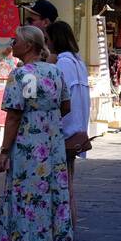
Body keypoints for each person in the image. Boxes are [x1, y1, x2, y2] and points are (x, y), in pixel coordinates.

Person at [0, 25, 75, 241]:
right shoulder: (55, 72)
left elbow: (14, 115)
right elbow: (66, 106)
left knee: (28, 198)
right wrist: (47, 117)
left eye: (15, 41)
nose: (11, 44)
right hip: (52, 144)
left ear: (28, 46)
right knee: (54, 197)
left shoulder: (21, 74)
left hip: (29, 146)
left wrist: (4, 151)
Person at [48, 21, 90, 227]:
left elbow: (57, 97)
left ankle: (66, 237)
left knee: (63, 189)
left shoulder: (62, 64)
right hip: (77, 131)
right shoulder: (78, 62)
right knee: (68, 186)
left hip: (64, 132)